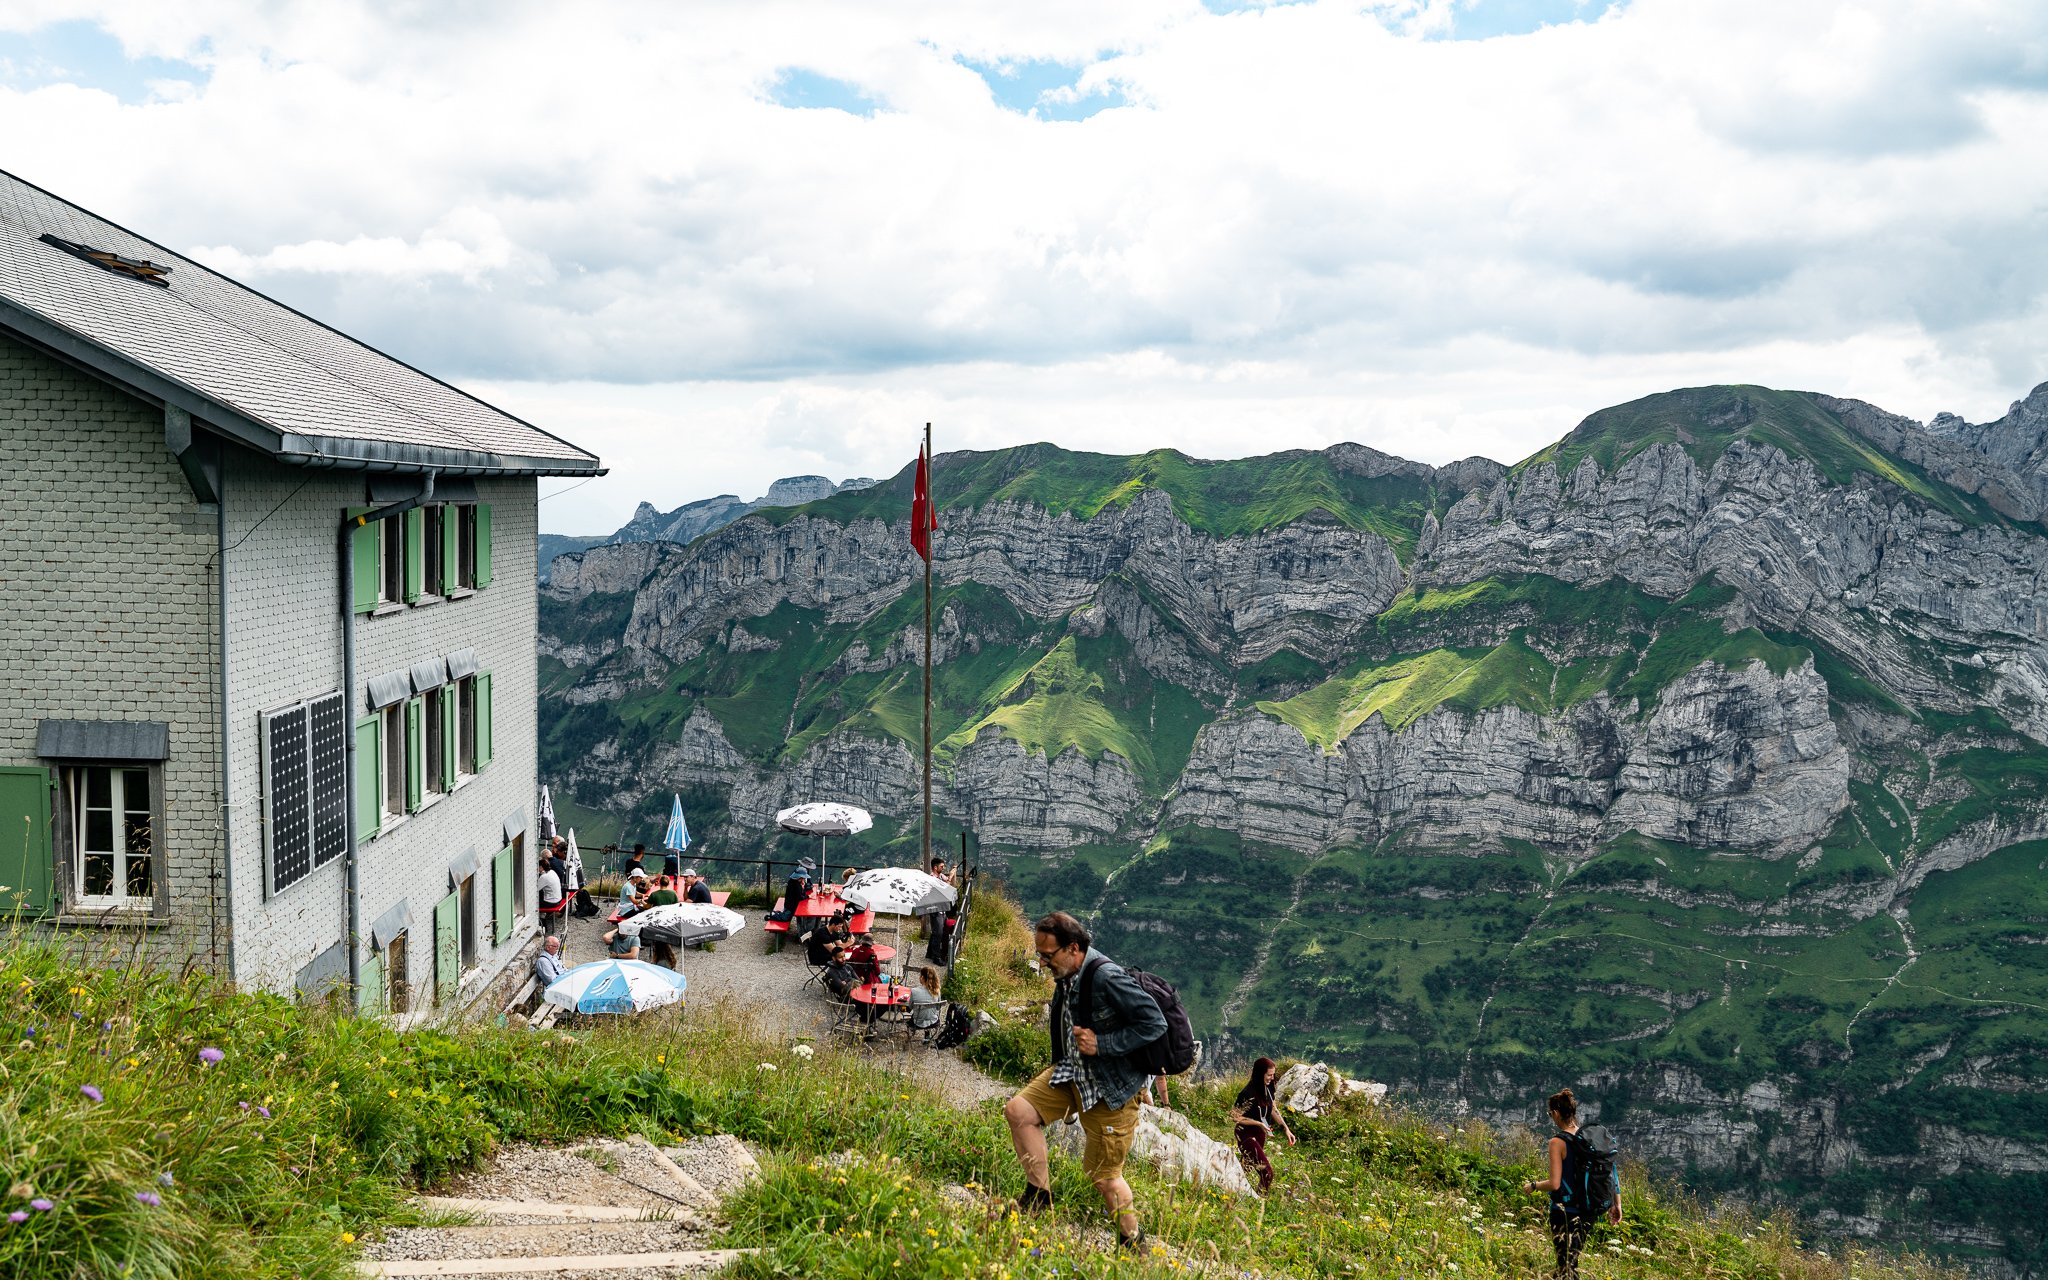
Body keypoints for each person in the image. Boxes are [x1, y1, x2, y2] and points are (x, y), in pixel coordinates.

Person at [1003, 911, 1167, 1251]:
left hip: (1111, 1089)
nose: (1042, 962)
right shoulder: (1067, 972)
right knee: (1019, 1112)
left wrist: (1102, 1044)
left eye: (1047, 954)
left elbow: (1155, 1022)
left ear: (1073, 948)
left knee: (1104, 1177)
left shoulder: (1106, 977)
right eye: (1039, 953)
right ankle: (1039, 1196)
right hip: (1072, 1072)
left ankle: (1134, 1246)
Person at [1523, 1088, 1621, 1279]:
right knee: (1570, 1262)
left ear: (1556, 1113)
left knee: (1566, 1267)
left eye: (1550, 1114)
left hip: (1565, 1212)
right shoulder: (1590, 1138)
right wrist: (1617, 1204)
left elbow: (1554, 1183)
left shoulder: (1557, 1142)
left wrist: (1533, 1186)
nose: (1551, 1117)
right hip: (1589, 1210)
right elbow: (1612, 1170)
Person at [1230, 1057, 1294, 1192]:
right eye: (1269, 1075)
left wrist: (1286, 1129)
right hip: (1245, 1133)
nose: (1272, 1078)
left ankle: (1232, 1191)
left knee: (1246, 1167)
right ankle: (1260, 1199)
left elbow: (1273, 1110)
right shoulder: (1247, 1092)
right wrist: (1258, 1123)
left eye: (1273, 1074)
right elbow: (1234, 1116)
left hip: (1260, 1133)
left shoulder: (1269, 1087)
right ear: (1260, 1074)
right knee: (1267, 1173)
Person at [908, 965, 944, 1032]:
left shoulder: (914, 991)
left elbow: (910, 1007)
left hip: (917, 1022)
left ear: (922, 977)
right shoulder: (937, 991)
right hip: (933, 1021)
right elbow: (938, 1008)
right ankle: (927, 1033)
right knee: (928, 1011)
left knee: (913, 1015)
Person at [537, 857, 565, 938]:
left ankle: (542, 924)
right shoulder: (552, 872)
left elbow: (535, 889)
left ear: (541, 867)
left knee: (533, 903)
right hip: (558, 899)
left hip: (551, 902)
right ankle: (543, 917)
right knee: (540, 896)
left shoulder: (544, 877)